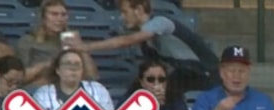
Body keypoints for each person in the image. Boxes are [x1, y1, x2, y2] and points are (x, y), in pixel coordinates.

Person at [83, 0, 214, 93]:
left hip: (205, 75)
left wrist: (86, 47)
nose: (122, 17)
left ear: (139, 10)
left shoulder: (161, 22)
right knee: (139, 88)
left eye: (125, 12)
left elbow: (126, 40)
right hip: (184, 75)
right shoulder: (145, 41)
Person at [16, 0, 96, 84]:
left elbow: (92, 77)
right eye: (54, 14)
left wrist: (82, 49)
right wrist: (45, 66)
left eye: (63, 15)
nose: (59, 19)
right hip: (38, 88)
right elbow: (19, 78)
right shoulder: (27, 41)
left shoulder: (71, 41)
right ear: (43, 17)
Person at [31, 46, 114, 110]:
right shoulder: (43, 93)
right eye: (68, 64)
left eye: (77, 64)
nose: (73, 68)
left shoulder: (98, 90)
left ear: (82, 70)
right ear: (58, 70)